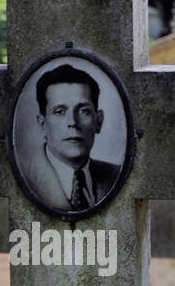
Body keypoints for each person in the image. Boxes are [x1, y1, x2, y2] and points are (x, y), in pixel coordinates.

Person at [17, 63, 122, 212]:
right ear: (42, 124)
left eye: (83, 111)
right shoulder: (23, 176)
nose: (73, 122)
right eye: (60, 111)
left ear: (98, 121)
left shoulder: (117, 176)